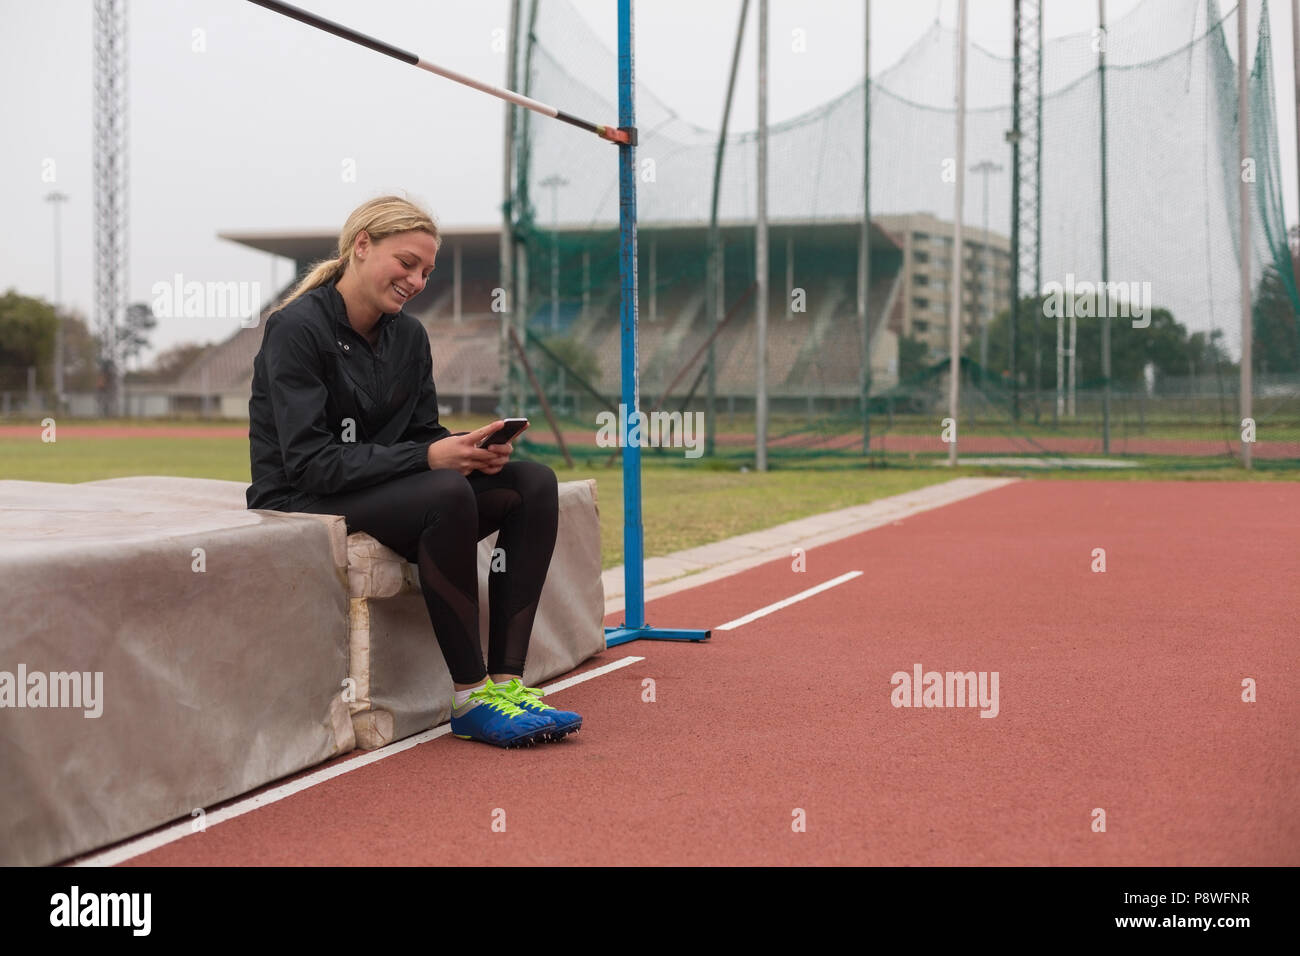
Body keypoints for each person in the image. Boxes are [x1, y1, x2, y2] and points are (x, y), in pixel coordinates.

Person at [246, 194, 580, 748]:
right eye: (406, 263)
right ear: (361, 246)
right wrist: (431, 459)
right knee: (446, 493)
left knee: (532, 482)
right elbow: (310, 463)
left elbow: (419, 435)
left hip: (383, 488)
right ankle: (471, 699)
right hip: (301, 494)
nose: (417, 280)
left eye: (426, 271)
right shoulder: (296, 329)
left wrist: (465, 447)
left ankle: (508, 684)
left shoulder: (409, 336)